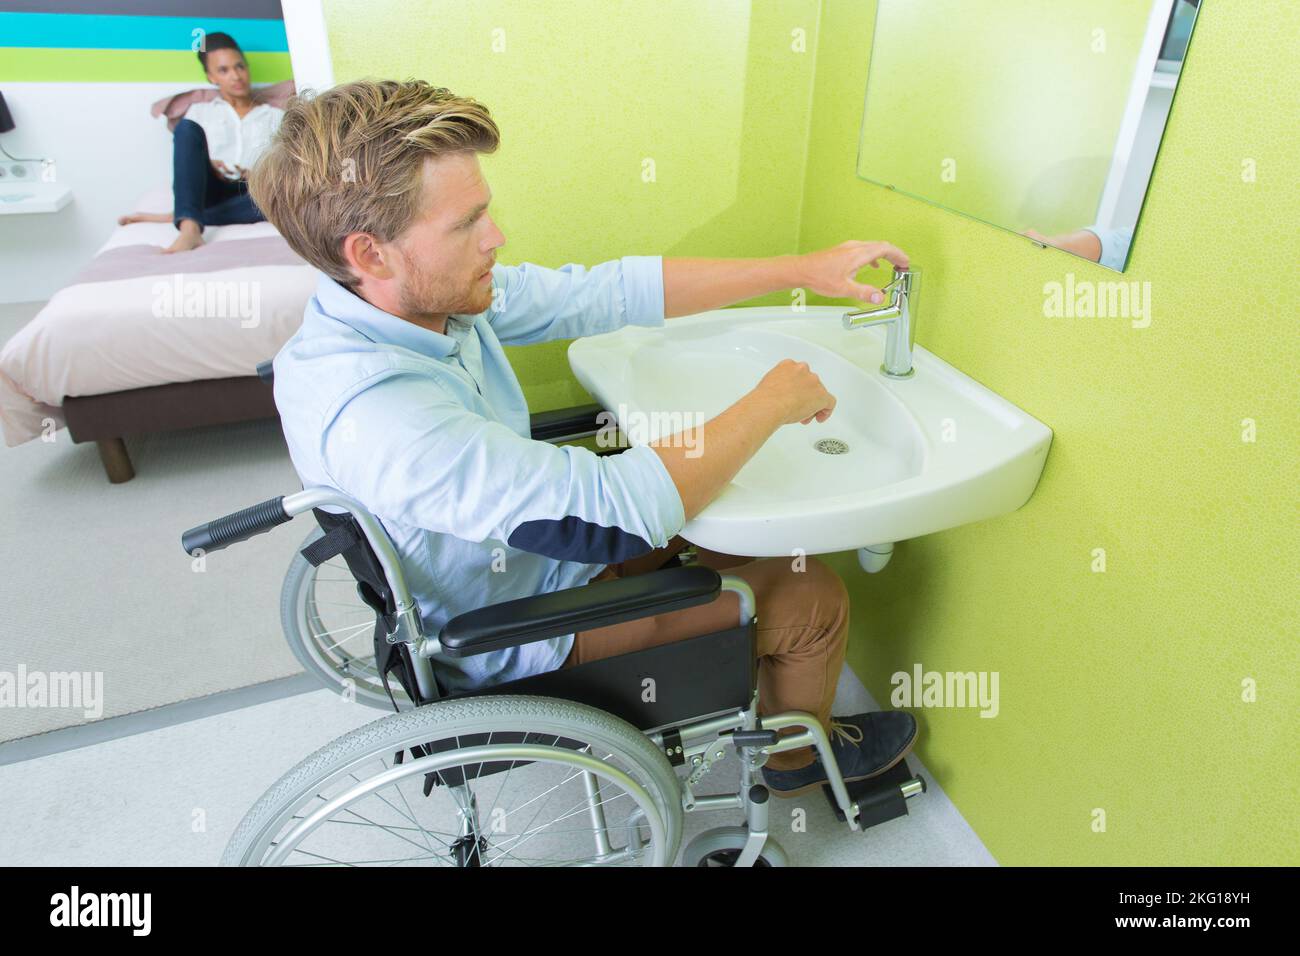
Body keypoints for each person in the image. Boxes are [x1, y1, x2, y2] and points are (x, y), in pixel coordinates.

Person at [252, 79, 919, 797]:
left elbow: (606, 292)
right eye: (468, 223)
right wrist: (770, 402)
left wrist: (798, 271)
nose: (496, 237)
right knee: (811, 597)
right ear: (371, 253)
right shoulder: (382, 416)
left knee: (741, 515)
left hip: (526, 564)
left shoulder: (408, 305)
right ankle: (797, 764)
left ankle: (752, 687)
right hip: (522, 634)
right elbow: (613, 516)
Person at [119, 32, 283, 254]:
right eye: (224, 70)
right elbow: (190, 156)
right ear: (211, 77)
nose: (236, 76)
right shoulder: (200, 112)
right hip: (210, 187)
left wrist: (259, 173)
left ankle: (184, 214)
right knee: (186, 129)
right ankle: (190, 229)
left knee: (284, 201)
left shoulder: (275, 115)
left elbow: (286, 164)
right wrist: (211, 164)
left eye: (240, 67)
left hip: (254, 191)